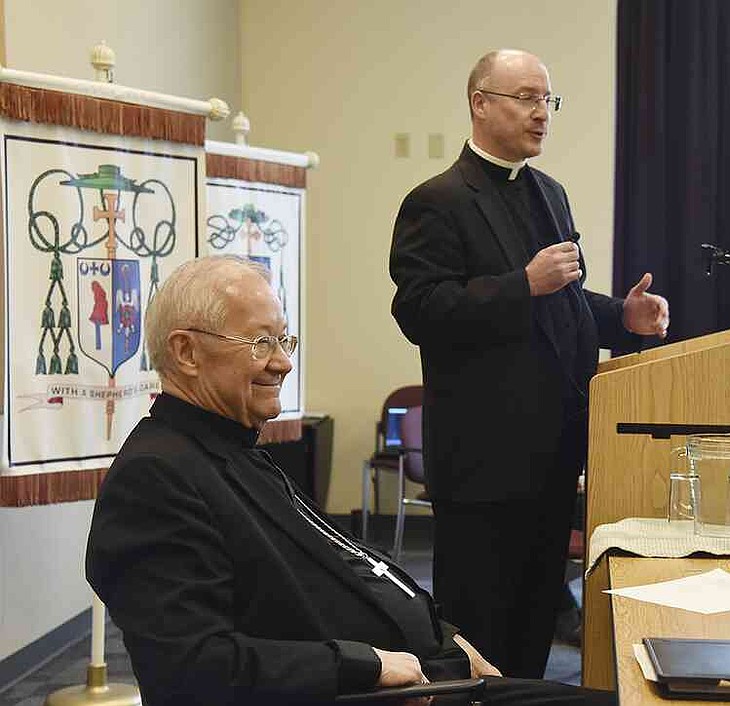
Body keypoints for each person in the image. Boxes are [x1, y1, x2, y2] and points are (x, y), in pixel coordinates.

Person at [86, 255, 617, 706]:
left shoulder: (231, 447)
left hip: (431, 671)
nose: (282, 363)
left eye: (284, 340)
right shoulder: (156, 478)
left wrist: (450, 639)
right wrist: (369, 666)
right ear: (186, 352)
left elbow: (350, 565)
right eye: (260, 343)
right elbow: (190, 667)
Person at [390, 49, 669, 679]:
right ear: (479, 102)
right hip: (484, 463)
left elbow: (562, 305)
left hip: (554, 456)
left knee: (536, 623)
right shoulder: (436, 201)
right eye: (525, 98)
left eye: (548, 100)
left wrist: (622, 316)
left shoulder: (551, 193)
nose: (541, 114)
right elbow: (420, 311)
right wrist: (522, 284)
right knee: (479, 631)